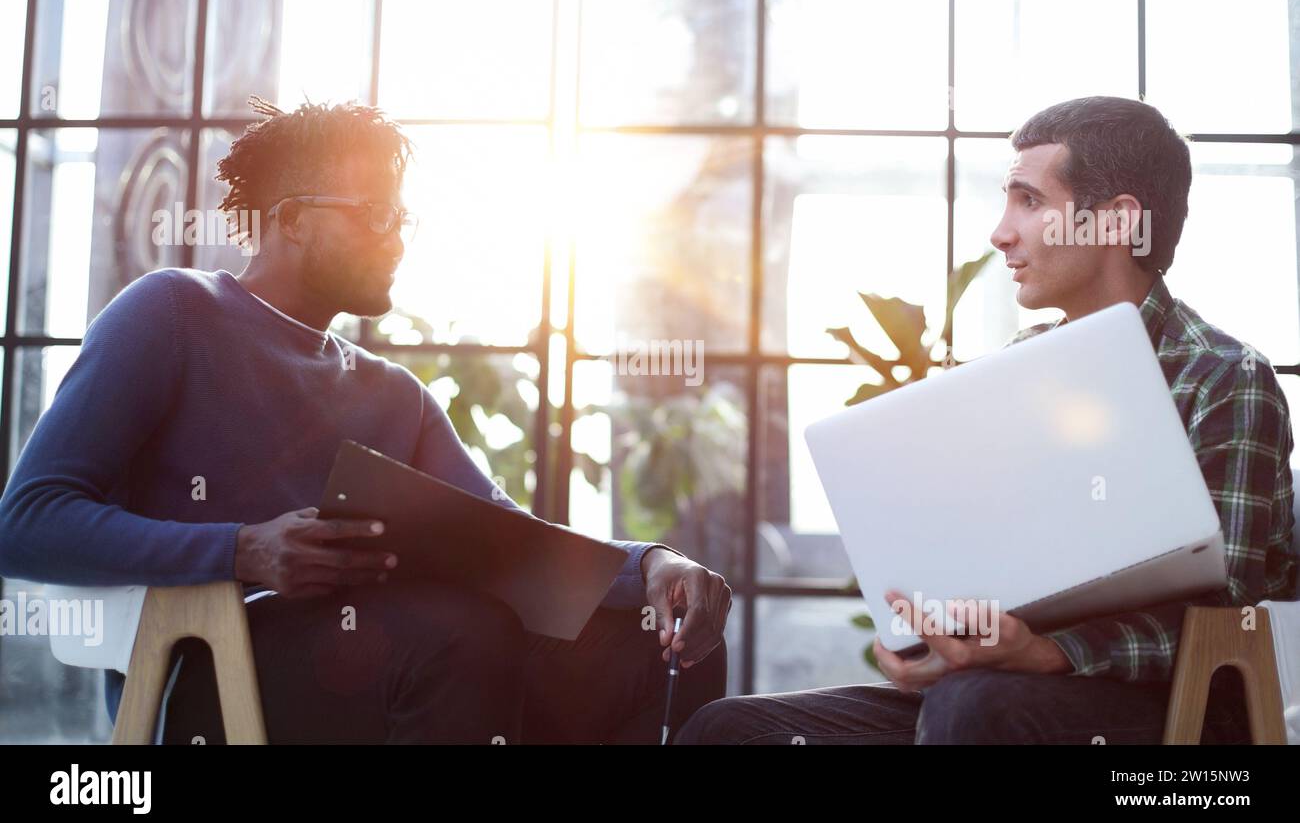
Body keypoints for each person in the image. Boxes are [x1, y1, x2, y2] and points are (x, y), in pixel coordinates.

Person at [0, 97, 731, 744]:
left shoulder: (393, 392)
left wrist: (656, 567)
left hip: (399, 657)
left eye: (401, 217)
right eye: (374, 215)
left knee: (663, 636)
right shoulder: (171, 313)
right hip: (208, 668)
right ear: (289, 220)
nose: (397, 239)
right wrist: (243, 551)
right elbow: (25, 522)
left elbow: (509, 540)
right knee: (461, 635)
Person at [675, 96, 1295, 745]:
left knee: (974, 709)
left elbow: (1229, 618)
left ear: (1116, 222)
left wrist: (1047, 654)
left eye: (1029, 201)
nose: (1001, 232)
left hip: (1170, 715)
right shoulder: (1019, 373)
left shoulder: (1223, 379)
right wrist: (938, 641)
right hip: (990, 694)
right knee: (730, 728)